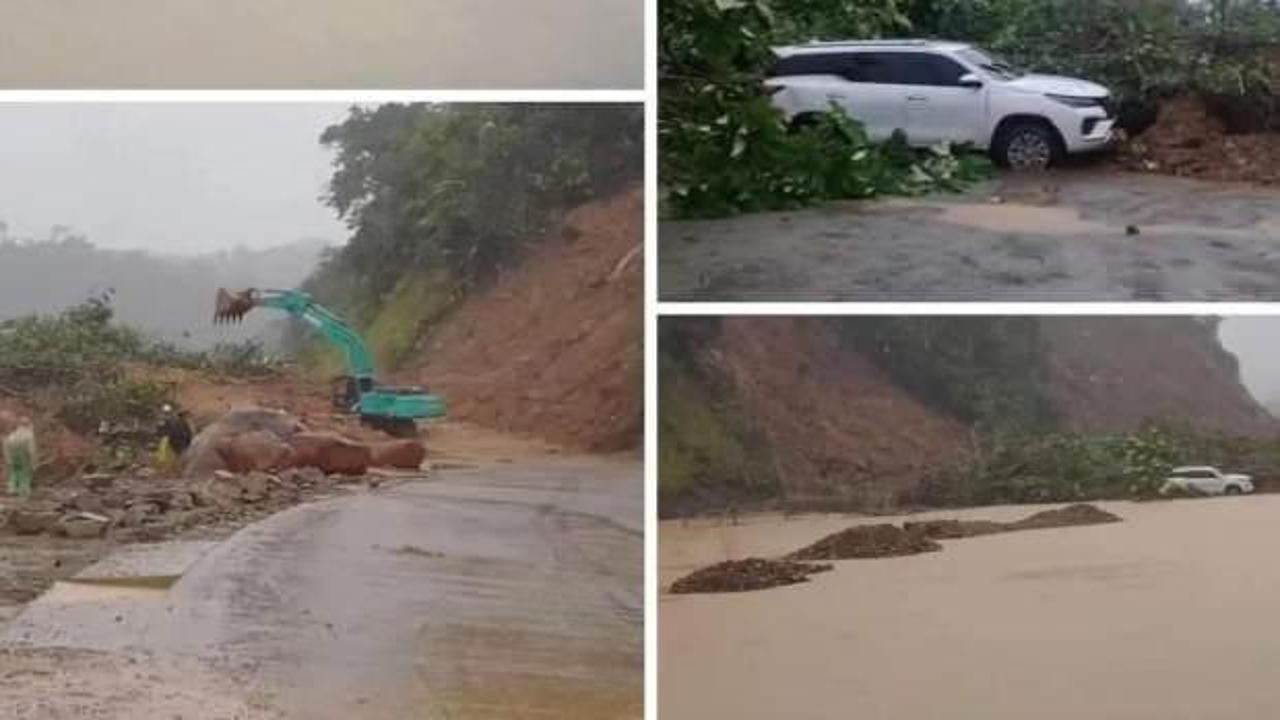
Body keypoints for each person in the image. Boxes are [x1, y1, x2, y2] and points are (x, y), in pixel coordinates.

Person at [3, 417, 36, 497]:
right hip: (24, 457)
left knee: (14, 473)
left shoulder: (13, 434)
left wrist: (8, 458)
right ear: (29, 425)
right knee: (25, 474)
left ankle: (12, 489)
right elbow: (31, 450)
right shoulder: (28, 435)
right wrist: (33, 462)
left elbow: (6, 445)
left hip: (12, 457)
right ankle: (24, 491)